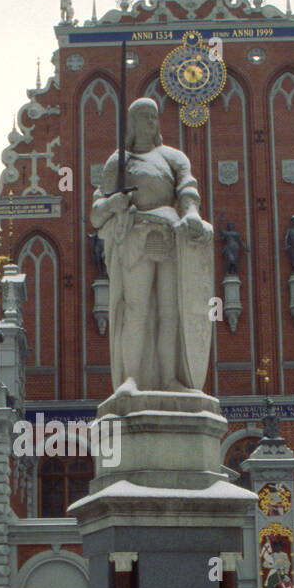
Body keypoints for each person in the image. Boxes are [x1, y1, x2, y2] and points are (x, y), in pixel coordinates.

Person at [90, 96, 214, 392]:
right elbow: (96, 213)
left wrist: (193, 214)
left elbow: (187, 188)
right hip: (136, 236)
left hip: (170, 237)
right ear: (131, 124)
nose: (150, 121)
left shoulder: (173, 157)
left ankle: (170, 379)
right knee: (136, 308)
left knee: (170, 311)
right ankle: (131, 378)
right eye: (143, 116)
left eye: (153, 116)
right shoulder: (119, 161)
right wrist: (113, 204)